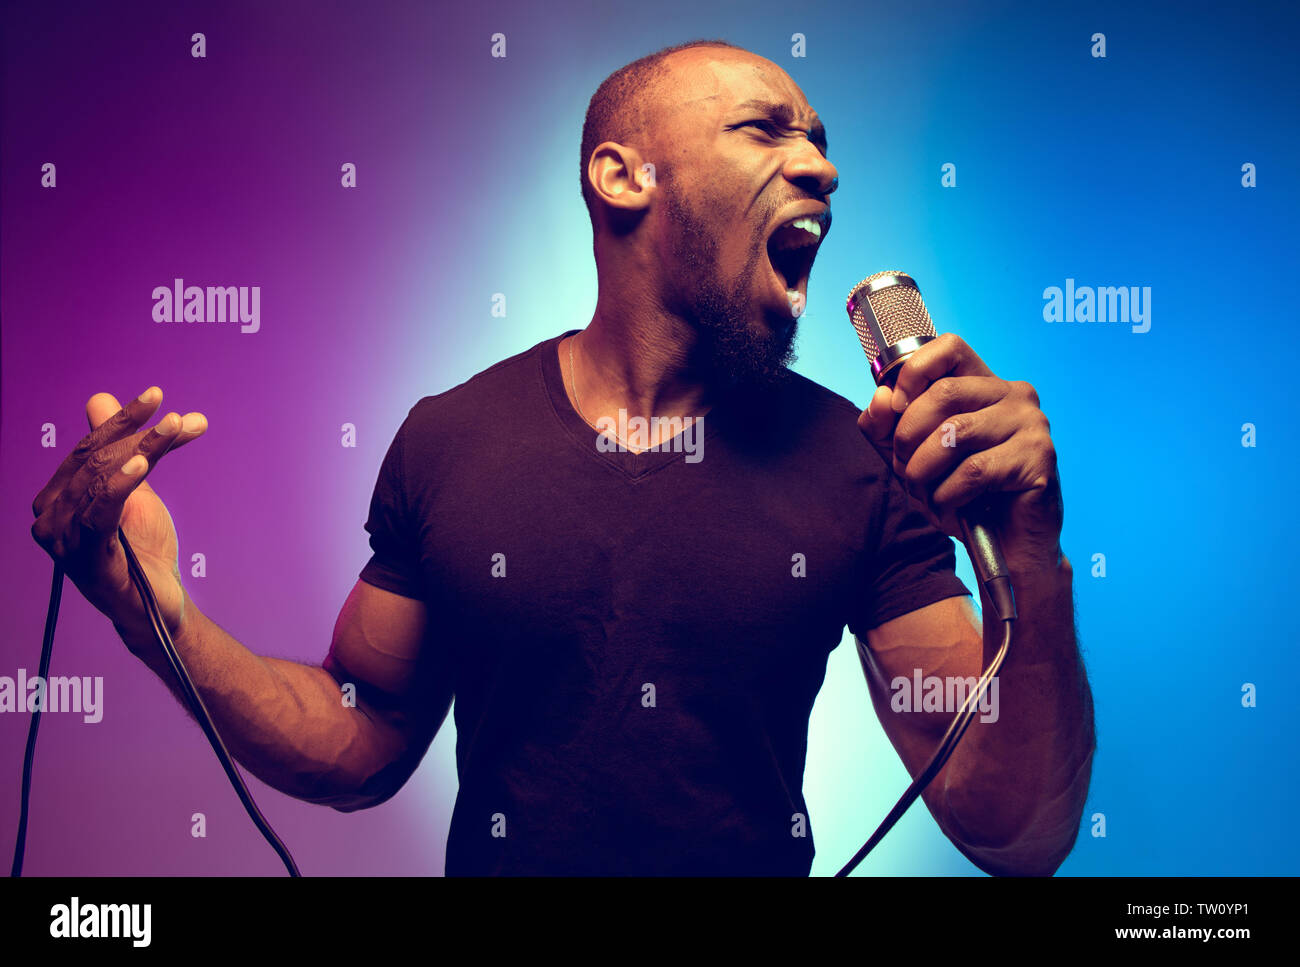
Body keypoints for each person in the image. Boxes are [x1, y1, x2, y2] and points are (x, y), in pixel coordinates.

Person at [30, 39, 1094, 876]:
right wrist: (156, 616)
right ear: (621, 175)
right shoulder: (450, 437)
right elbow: (362, 737)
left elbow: (1012, 831)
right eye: (766, 130)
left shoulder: (866, 460)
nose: (818, 165)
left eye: (818, 141)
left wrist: (1030, 563)